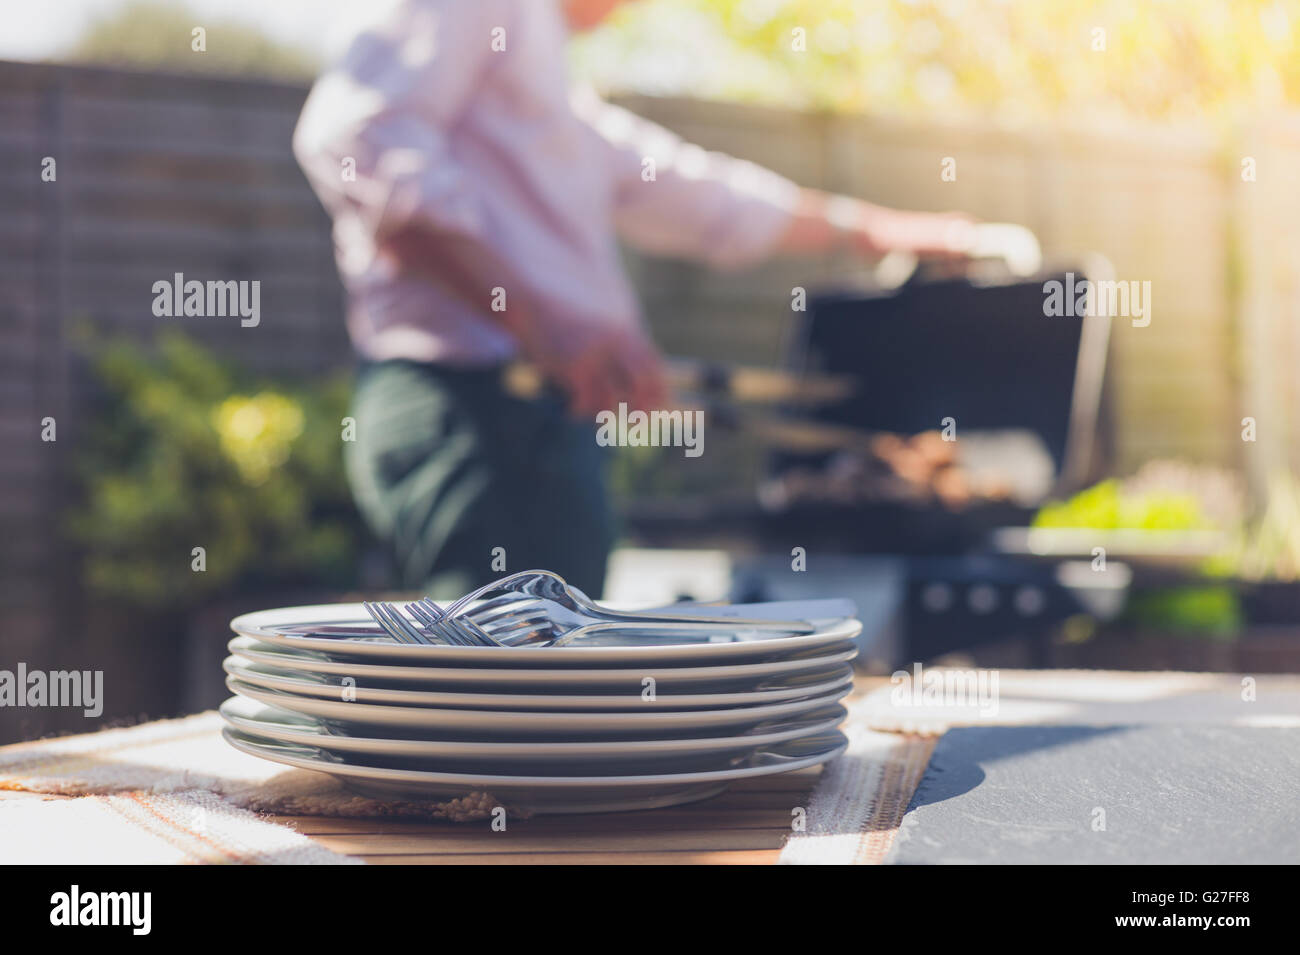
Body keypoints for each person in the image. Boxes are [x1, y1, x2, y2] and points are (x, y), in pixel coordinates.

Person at [293, 0, 974, 598]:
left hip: (534, 418)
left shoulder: (539, 81)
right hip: (482, 413)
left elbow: (698, 195)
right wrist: (542, 325)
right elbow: (357, 136)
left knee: (541, 701)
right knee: (509, 704)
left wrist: (882, 230)